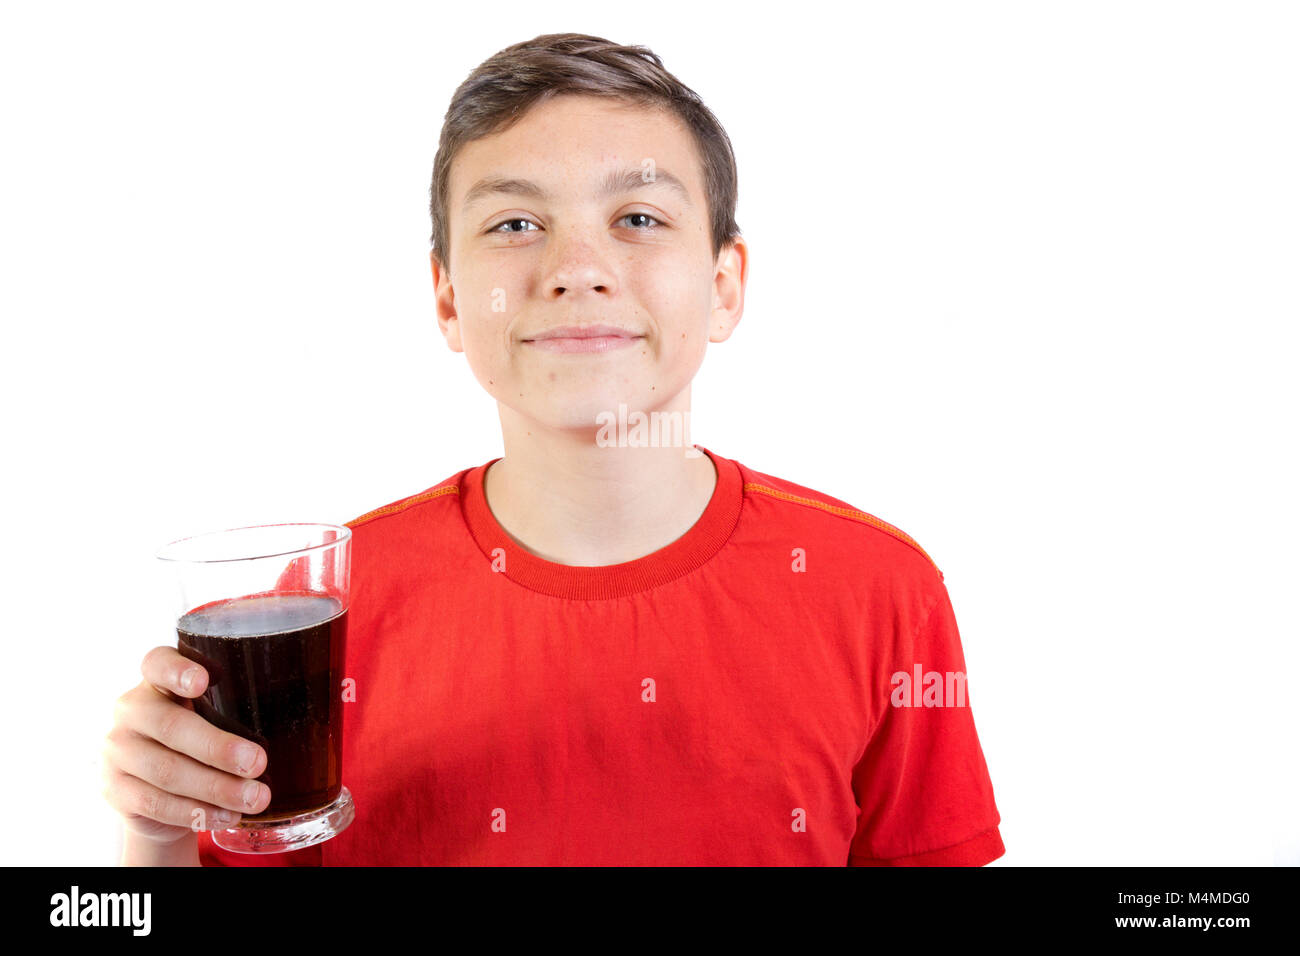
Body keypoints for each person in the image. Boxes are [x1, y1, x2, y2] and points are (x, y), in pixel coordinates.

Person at [102, 32, 1004, 866]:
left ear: (724, 286)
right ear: (449, 300)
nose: (577, 265)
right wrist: (153, 833)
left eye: (640, 219)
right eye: (515, 225)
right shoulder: (320, 613)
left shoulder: (881, 589)